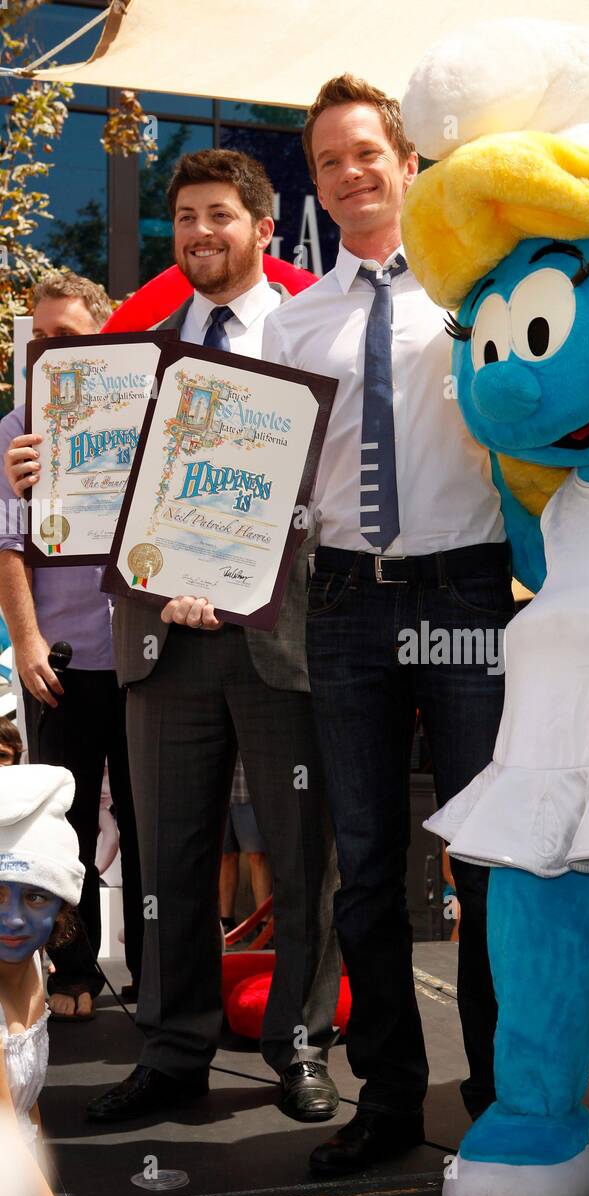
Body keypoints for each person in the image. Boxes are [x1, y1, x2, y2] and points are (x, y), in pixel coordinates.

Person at [263, 76, 512, 1176]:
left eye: (368, 152)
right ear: (314, 184)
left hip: (468, 591)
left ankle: (508, 1093)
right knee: (362, 861)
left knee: (489, 859)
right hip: (345, 603)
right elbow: (253, 482)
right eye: (328, 161)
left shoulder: (485, 291)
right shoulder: (292, 321)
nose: (352, 172)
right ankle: (390, 1099)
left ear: (408, 164)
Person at [84, 148, 340, 1126]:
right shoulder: (135, 347)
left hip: (279, 632)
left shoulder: (309, 336)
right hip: (160, 638)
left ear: (262, 228)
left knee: (298, 849)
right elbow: (99, 487)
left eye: (219, 215)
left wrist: (232, 582)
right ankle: (172, 1048)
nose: (198, 232)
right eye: (184, 216)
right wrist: (42, 472)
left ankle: (301, 1047)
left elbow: (324, 487)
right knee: (172, 854)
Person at [1, 272, 144, 1020]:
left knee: (159, 823)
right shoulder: (16, 427)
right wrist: (26, 640)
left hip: (150, 659)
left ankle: (160, 978)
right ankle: (74, 971)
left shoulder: (155, 415)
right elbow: (6, 547)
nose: (57, 347)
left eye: (73, 336)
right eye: (45, 336)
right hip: (60, 664)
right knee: (68, 824)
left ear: (108, 336)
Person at [0, 763, 104, 1196]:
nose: (13, 918)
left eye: (34, 896)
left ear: (62, 904)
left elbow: (23, 1108)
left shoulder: (36, 965)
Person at [219, 755, 272, 936]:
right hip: (219, 790)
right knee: (225, 855)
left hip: (248, 788)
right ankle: (226, 920)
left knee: (257, 855)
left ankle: (263, 924)